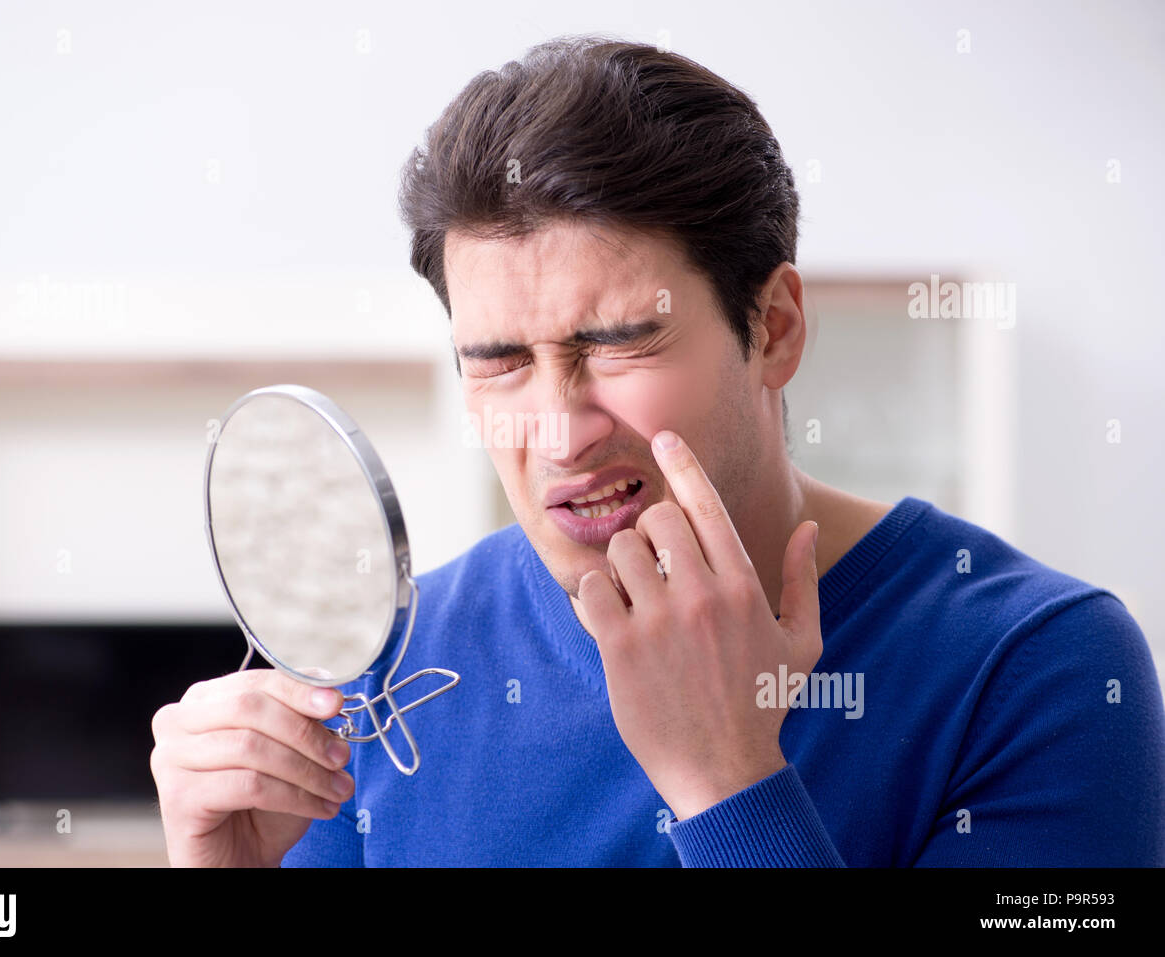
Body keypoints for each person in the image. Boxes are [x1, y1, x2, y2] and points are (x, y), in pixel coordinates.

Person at [149, 35, 1165, 867]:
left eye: (618, 344)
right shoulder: (392, 670)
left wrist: (725, 781)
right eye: (498, 361)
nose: (557, 425)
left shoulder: (1038, 667)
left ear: (772, 327)